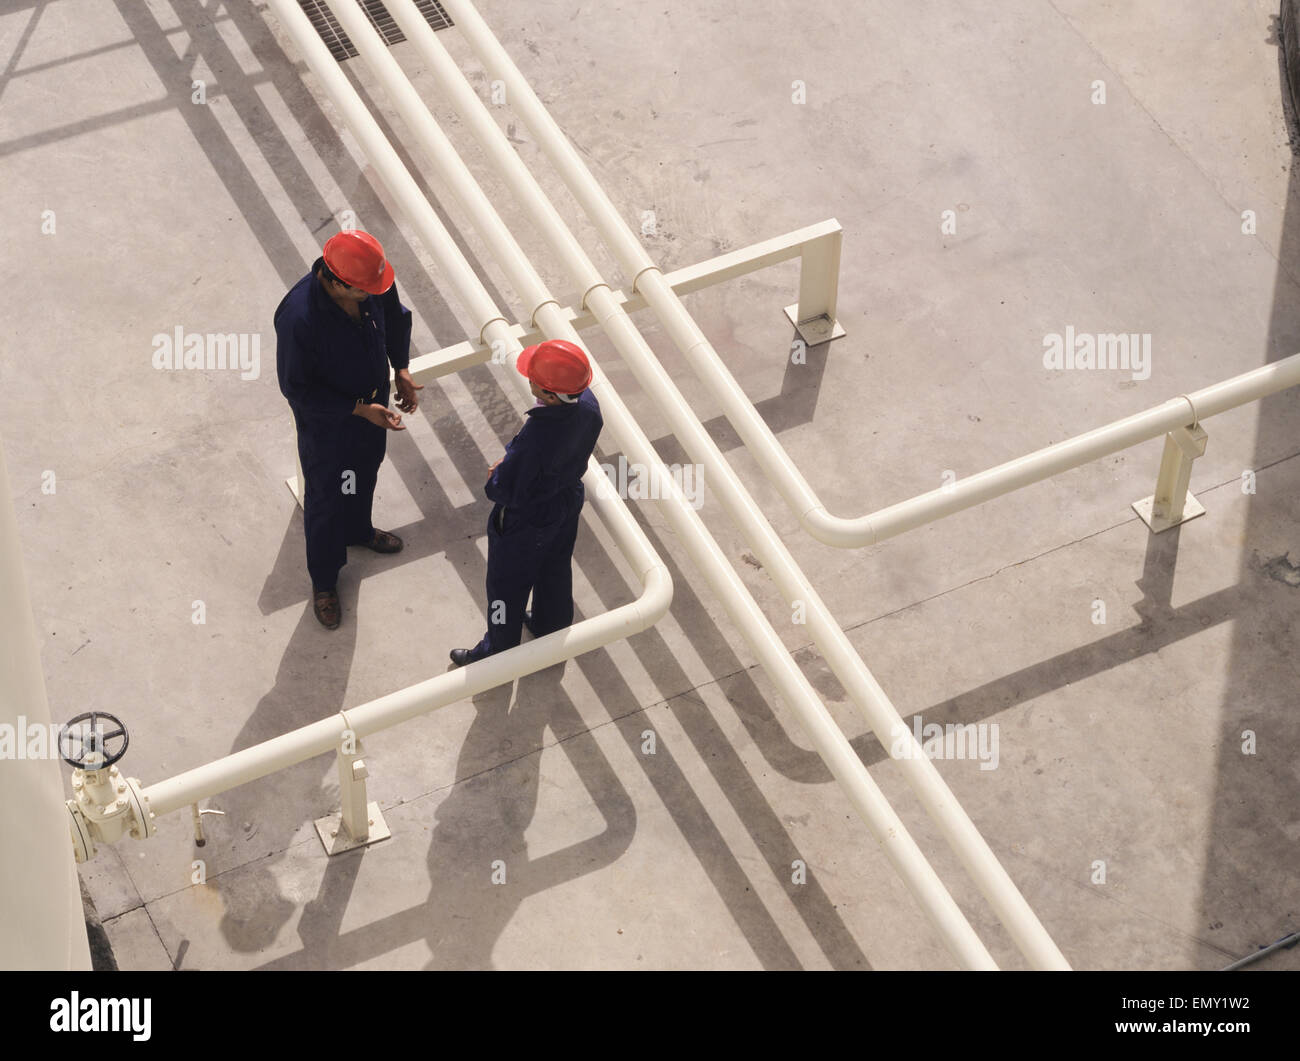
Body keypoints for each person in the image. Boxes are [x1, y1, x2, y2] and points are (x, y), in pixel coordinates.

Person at [274, 229, 423, 629]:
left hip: (372, 410)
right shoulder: (299, 319)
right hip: (329, 427)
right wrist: (357, 410)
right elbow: (297, 390)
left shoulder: (368, 284)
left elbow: (395, 317)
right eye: (361, 292)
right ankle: (324, 582)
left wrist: (402, 368)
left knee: (364, 472)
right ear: (334, 281)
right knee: (324, 500)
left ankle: (358, 529)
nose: (369, 296)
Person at [450, 340, 602, 666]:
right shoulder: (588, 403)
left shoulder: (539, 435)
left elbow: (502, 489)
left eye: (534, 378)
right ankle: (550, 627)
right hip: (567, 499)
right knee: (555, 566)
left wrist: (498, 473)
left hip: (529, 519)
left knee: (506, 586)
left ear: (548, 394)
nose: (529, 380)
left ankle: (498, 651)